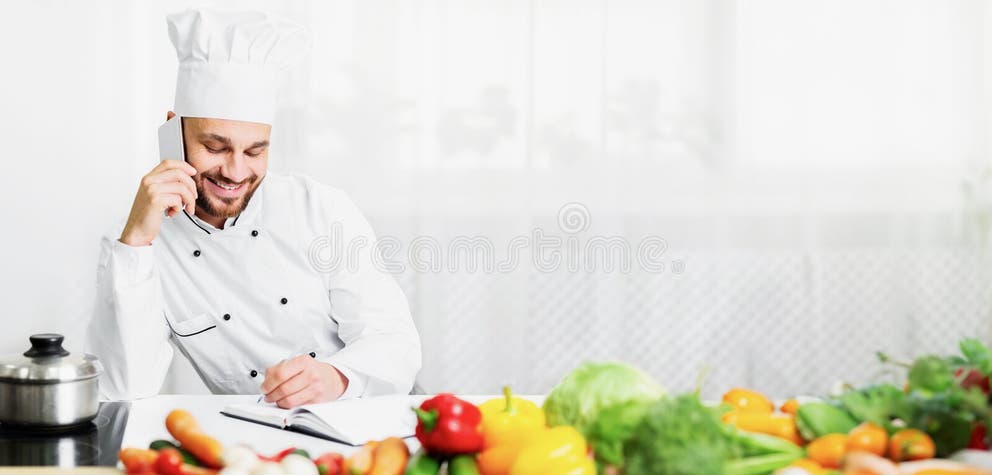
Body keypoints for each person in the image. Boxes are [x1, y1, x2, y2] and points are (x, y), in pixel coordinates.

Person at [86, 8, 421, 407]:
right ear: (172, 130)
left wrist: (338, 377)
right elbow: (125, 389)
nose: (235, 171)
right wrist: (137, 245)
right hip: (257, 438)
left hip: (367, 411)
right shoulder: (136, 243)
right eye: (215, 147)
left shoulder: (321, 209)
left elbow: (393, 340)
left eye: (255, 151)